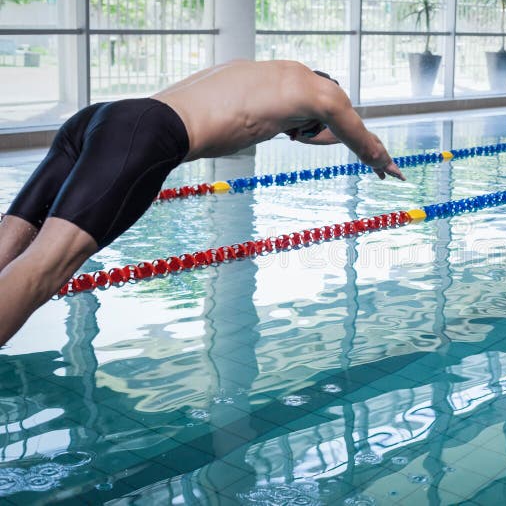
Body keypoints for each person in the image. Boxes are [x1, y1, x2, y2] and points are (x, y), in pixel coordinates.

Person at [0, 60, 406, 346]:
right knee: (45, 268)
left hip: (102, 119)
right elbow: (367, 145)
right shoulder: (326, 94)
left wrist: (315, 131)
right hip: (146, 136)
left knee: (10, 244)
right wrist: (380, 161)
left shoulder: (262, 77)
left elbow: (305, 132)